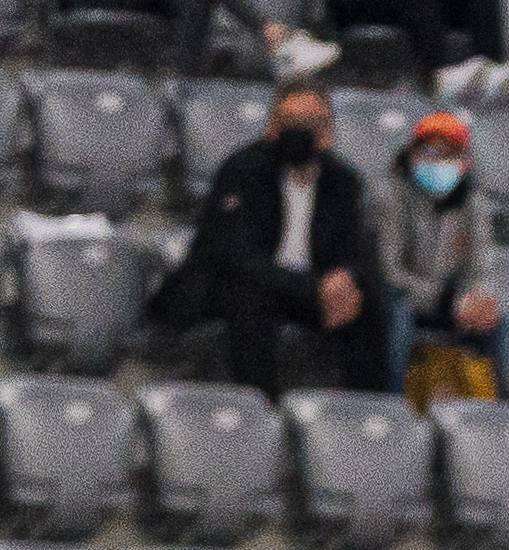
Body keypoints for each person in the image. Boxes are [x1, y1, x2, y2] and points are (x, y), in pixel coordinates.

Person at [163, 77, 392, 398]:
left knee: (363, 296)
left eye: (310, 124)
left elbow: (353, 249)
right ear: (271, 127)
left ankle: (368, 409)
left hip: (308, 288)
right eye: (288, 123)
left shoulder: (343, 181)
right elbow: (237, 256)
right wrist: (315, 287)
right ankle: (261, 408)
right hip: (237, 285)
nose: (298, 132)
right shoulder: (242, 170)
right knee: (249, 292)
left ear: (327, 133)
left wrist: (344, 277)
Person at [390, 110, 509, 400]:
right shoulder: (391, 198)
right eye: (429, 151)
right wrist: (444, 298)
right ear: (413, 156)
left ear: (465, 163)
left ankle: (497, 413)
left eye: (449, 153)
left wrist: (475, 298)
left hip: (455, 303)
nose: (437, 161)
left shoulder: (475, 206)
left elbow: (482, 266)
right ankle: (394, 404)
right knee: (398, 315)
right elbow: (391, 271)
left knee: (498, 320)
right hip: (407, 298)